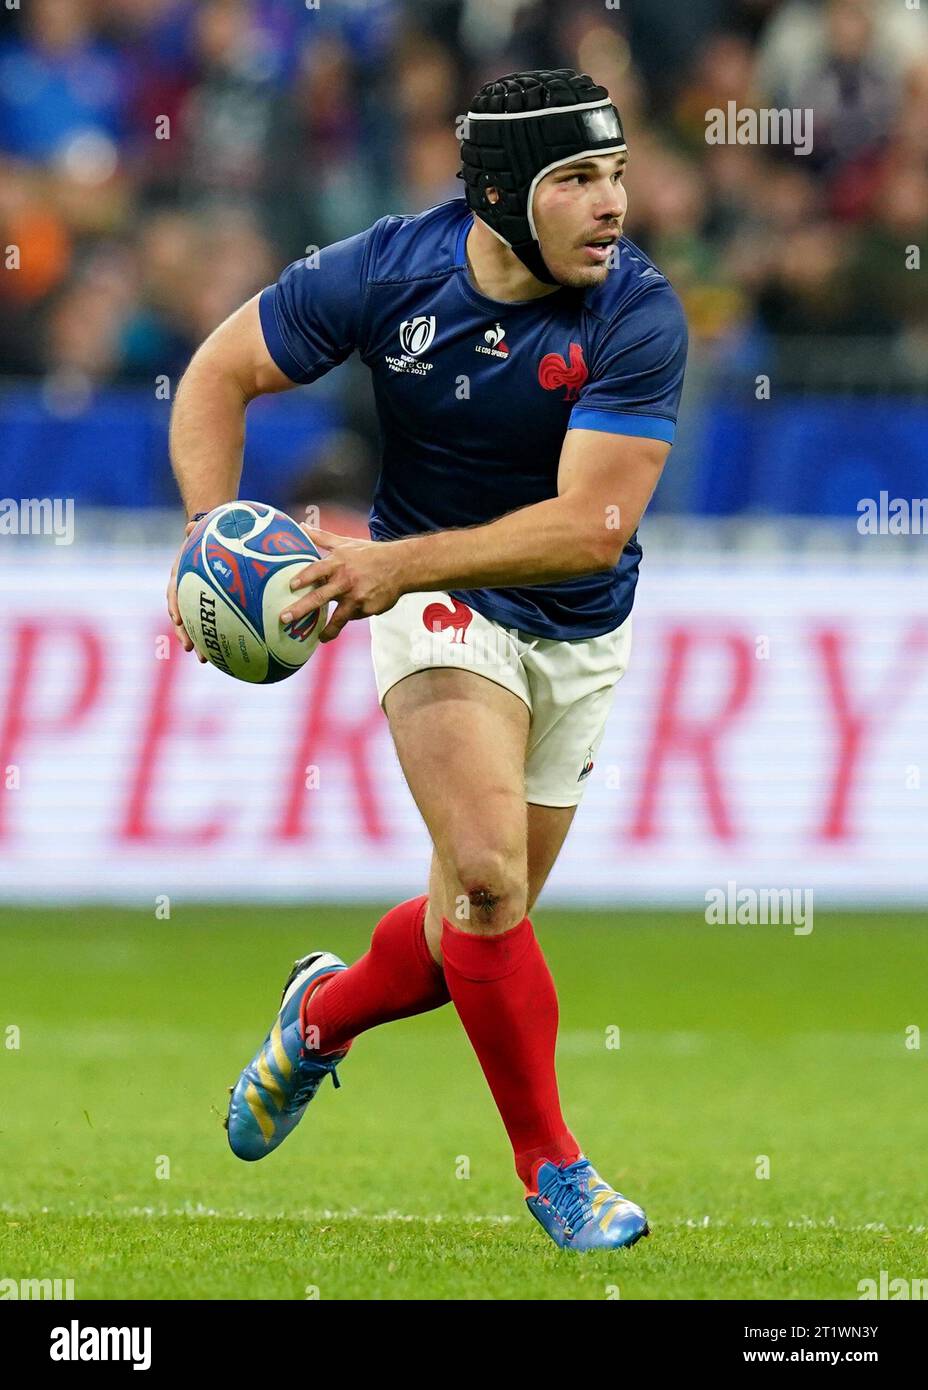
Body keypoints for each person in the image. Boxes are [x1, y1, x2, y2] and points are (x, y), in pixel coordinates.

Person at [166, 69, 687, 1251]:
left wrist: (394, 565)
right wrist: (208, 532)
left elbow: (589, 528)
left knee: (469, 933)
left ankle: (319, 1016)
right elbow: (217, 373)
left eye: (614, 173)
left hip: (572, 621)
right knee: (491, 879)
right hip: (436, 610)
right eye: (575, 180)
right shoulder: (386, 269)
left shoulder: (639, 310)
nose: (611, 204)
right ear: (500, 195)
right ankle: (555, 1166)